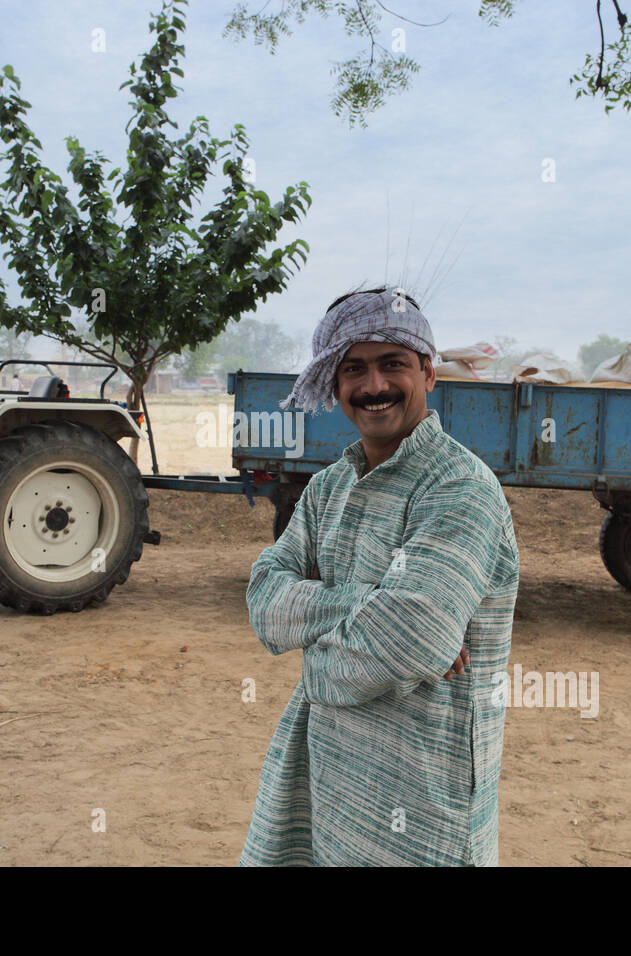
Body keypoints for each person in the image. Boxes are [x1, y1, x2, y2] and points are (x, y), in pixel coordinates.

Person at [239, 285, 520, 866]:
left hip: (422, 800)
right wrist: (370, 603)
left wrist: (318, 648)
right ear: (335, 384)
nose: (373, 387)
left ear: (428, 373)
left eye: (393, 363)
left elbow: (405, 643)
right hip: (331, 783)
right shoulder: (328, 488)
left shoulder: (459, 489)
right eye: (353, 369)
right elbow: (266, 600)